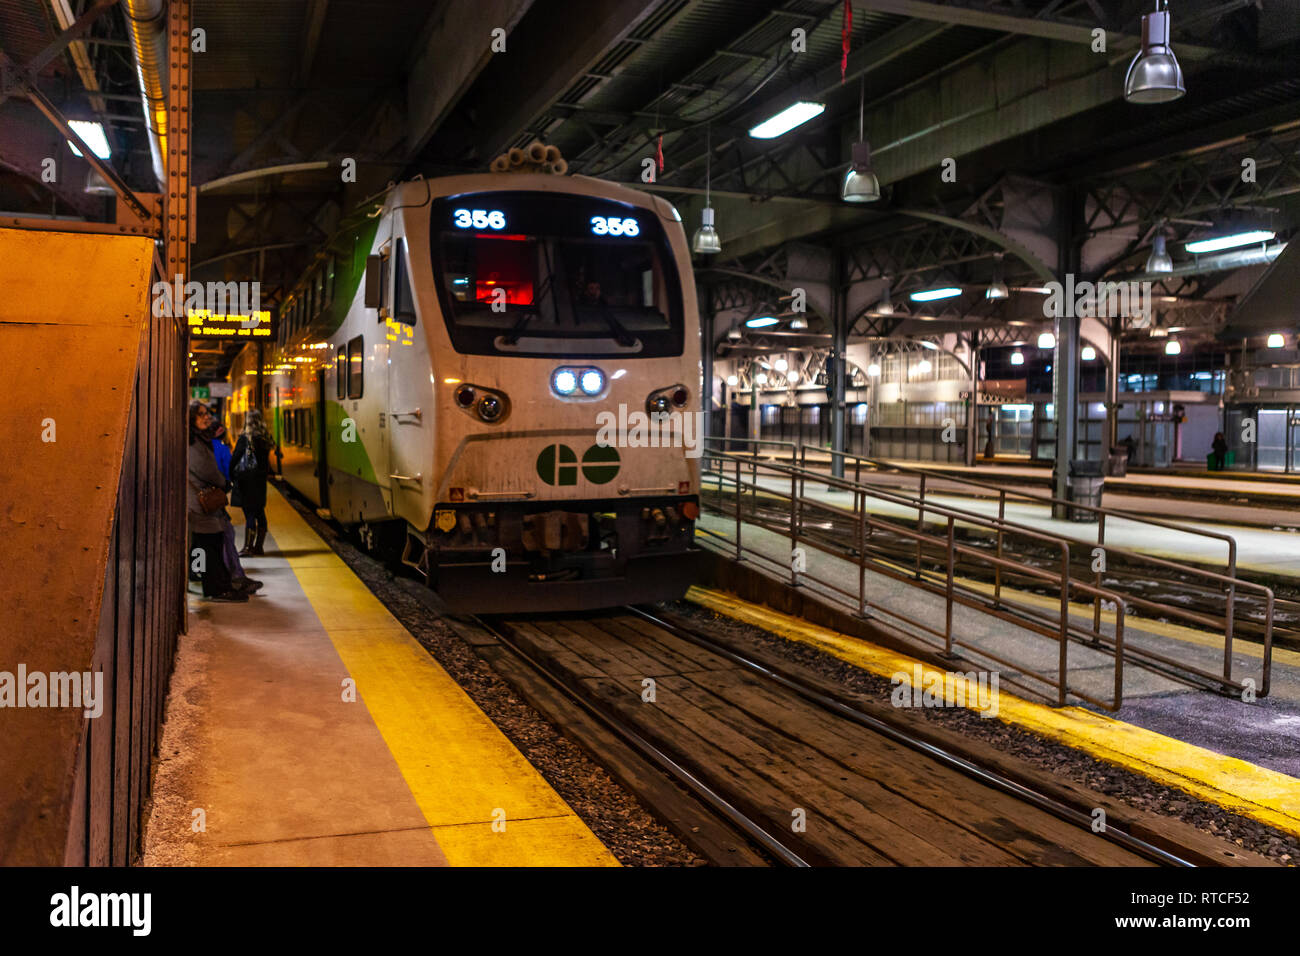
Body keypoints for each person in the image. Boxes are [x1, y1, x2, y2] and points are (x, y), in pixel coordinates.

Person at [187, 401, 247, 602]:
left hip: (202, 505)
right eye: (201, 414)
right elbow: (206, 469)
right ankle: (216, 589)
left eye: (207, 413)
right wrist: (223, 482)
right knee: (209, 547)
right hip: (201, 505)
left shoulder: (198, 438)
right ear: (191, 418)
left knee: (210, 545)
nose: (207, 417)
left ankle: (218, 586)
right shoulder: (193, 443)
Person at [210, 411, 262, 595]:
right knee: (227, 534)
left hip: (219, 496)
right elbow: (224, 472)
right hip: (255, 485)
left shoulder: (209, 447)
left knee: (227, 533)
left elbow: (230, 468)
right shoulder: (263, 438)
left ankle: (235, 574)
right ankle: (234, 576)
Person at [232, 408, 276, 556]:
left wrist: (232, 476)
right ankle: (259, 546)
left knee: (250, 514)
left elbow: (235, 459)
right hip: (260, 482)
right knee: (259, 513)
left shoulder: (245, 439)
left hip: (246, 482)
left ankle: (248, 547)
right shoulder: (265, 438)